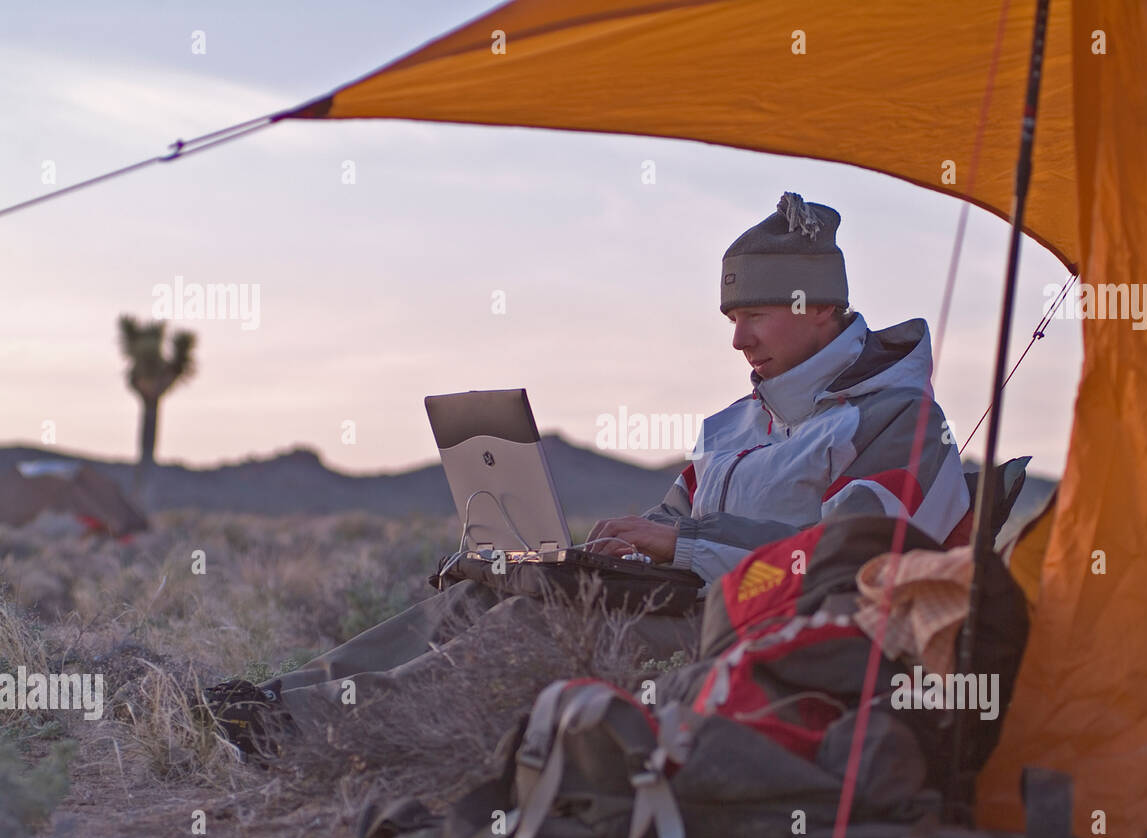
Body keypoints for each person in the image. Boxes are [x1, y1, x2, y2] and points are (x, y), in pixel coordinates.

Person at [198, 191, 972, 755]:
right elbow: (670, 526)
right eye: (730, 318)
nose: (737, 339)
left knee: (542, 626)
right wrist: (608, 555)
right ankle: (280, 700)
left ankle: (304, 733)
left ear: (820, 307)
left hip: (765, 638)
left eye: (754, 315)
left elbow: (855, 564)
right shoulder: (735, 427)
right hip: (689, 607)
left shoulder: (896, 421)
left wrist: (686, 550)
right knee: (490, 594)